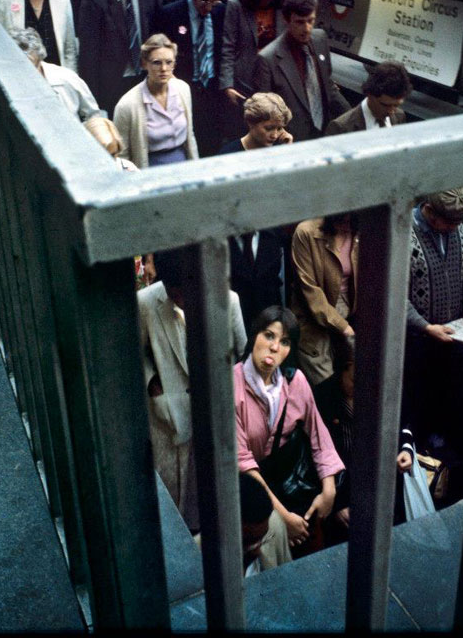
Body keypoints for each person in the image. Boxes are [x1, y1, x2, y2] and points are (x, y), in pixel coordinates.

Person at [137, 248, 247, 529]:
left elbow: (242, 356)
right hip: (169, 420)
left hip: (215, 415)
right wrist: (152, 384)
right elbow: (133, 353)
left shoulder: (228, 301)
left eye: (188, 292)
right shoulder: (145, 304)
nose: (183, 300)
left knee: (213, 497)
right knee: (173, 505)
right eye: (176, 294)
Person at [235, 306, 345, 558]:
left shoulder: (296, 381)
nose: (274, 347)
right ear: (253, 336)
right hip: (251, 495)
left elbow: (319, 435)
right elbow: (243, 463)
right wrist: (284, 518)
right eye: (268, 335)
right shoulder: (232, 385)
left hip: (291, 483)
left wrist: (329, 489)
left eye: (284, 341)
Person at [403, 188, 463, 468]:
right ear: (430, 212)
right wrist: (426, 327)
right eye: (449, 224)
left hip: (457, 335)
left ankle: (454, 471)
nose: (455, 229)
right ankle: (421, 471)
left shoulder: (460, 226)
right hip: (417, 342)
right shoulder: (404, 234)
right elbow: (394, 296)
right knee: (420, 408)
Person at [317, 336, 414, 546]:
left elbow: (401, 423)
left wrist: (405, 450)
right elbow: (319, 454)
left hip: (380, 486)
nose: (360, 387)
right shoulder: (323, 397)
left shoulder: (377, 389)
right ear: (341, 369)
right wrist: (338, 504)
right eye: (354, 380)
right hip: (344, 492)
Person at [217, 93, 293, 332]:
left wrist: (286, 154)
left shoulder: (278, 151)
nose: (274, 134)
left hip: (267, 247)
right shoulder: (227, 156)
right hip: (237, 248)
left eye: (279, 128)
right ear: (251, 123)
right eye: (269, 127)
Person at [77, 0, 162, 118]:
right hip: (113, 85)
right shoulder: (95, 0)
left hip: (146, 79)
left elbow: (156, 34)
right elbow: (89, 58)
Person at [253, 0, 351, 142]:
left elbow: (327, 85)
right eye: (299, 22)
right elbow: (264, 115)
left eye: (310, 21)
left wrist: (352, 116)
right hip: (293, 142)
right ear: (286, 19)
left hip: (326, 134)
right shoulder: (267, 60)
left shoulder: (320, 39)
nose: (307, 28)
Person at [161, 0, 228, 158]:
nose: (208, 8)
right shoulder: (170, 14)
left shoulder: (221, 12)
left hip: (213, 92)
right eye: (204, 1)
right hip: (184, 91)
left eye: (214, 2)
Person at [220, 0, 290, 141]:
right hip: (244, 83)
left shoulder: (282, 9)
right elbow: (228, 46)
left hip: (274, 83)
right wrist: (227, 84)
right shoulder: (236, 6)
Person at [290, 212, 359, 390]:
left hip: (352, 312)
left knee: (352, 385)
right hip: (313, 320)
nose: (345, 225)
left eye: (349, 220)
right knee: (324, 387)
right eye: (341, 219)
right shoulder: (306, 232)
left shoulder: (360, 231)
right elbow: (310, 291)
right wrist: (343, 326)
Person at [113, 33, 199, 168]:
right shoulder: (127, 105)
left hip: (184, 165)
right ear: (144, 64)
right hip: (150, 170)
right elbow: (121, 156)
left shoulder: (183, 89)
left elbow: (190, 135)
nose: (164, 69)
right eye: (157, 63)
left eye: (169, 62)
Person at [9, 26, 104, 121]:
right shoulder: (7, 86)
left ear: (39, 59)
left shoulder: (66, 78)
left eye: (30, 65)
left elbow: (94, 116)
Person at [325, 61, 411, 135]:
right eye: (385, 105)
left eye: (396, 105)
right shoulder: (341, 128)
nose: (391, 112)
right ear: (370, 95)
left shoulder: (400, 116)